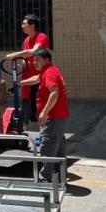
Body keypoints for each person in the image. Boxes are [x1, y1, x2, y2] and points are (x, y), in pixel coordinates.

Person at [5, 15, 51, 129]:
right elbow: (26, 56)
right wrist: (23, 62)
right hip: (27, 80)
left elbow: (34, 51)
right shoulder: (26, 40)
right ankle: (27, 131)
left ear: (32, 26)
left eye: (24, 24)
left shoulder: (42, 37)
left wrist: (15, 54)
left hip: (38, 79)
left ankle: (46, 133)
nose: (22, 26)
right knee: (27, 107)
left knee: (39, 109)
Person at [32, 48, 69, 181]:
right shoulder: (50, 70)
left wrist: (44, 112)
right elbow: (36, 79)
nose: (35, 63)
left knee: (47, 146)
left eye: (38, 60)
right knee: (58, 146)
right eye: (34, 60)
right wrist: (21, 83)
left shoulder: (49, 73)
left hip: (53, 116)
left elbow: (54, 93)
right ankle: (60, 176)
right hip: (58, 116)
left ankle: (45, 179)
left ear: (47, 60)